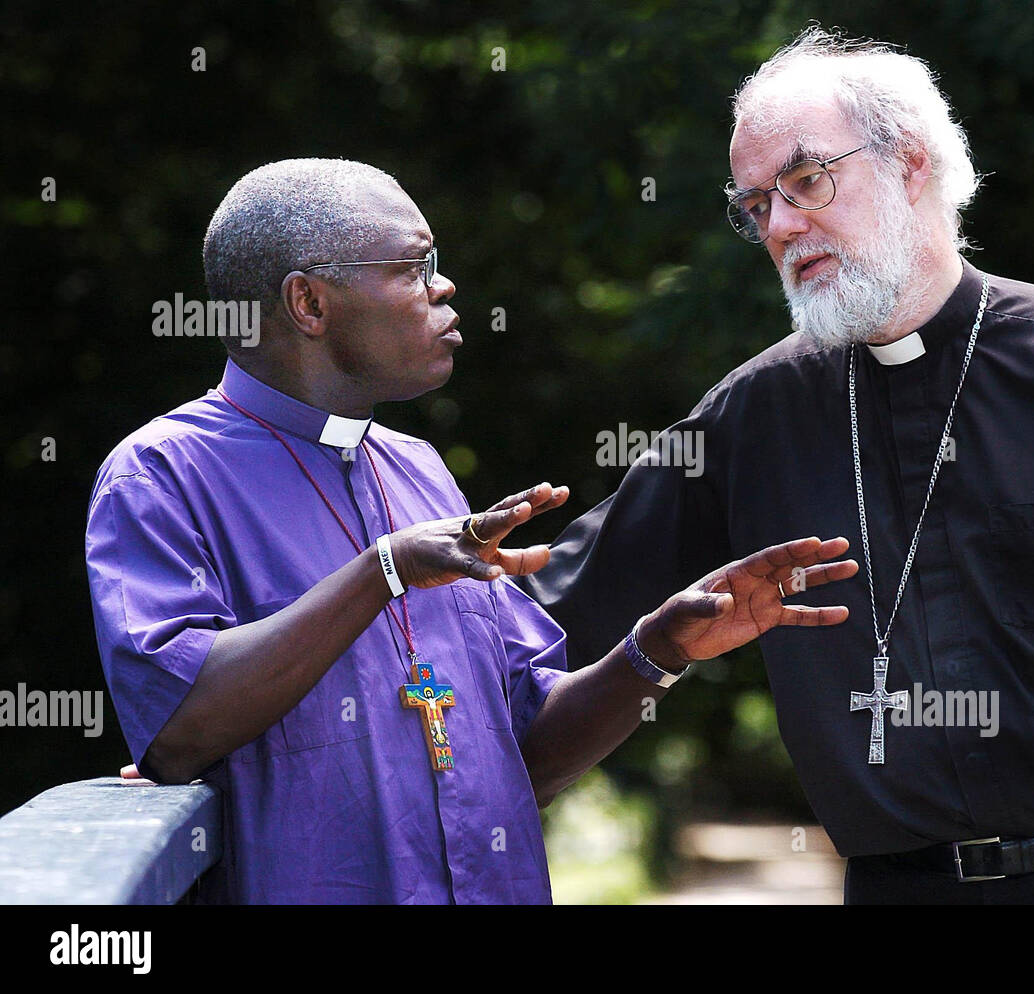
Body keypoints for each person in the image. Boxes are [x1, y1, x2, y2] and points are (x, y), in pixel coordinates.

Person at [521, 28, 1034, 904]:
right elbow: (548, 603)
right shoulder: (757, 413)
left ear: (912, 166)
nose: (779, 225)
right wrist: (388, 591)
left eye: (806, 181)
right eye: (754, 205)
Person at [85, 158, 856, 904]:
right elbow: (178, 729)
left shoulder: (419, 469)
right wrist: (381, 571)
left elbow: (527, 752)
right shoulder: (161, 475)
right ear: (310, 304)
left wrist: (657, 651)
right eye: (415, 266)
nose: (444, 286)